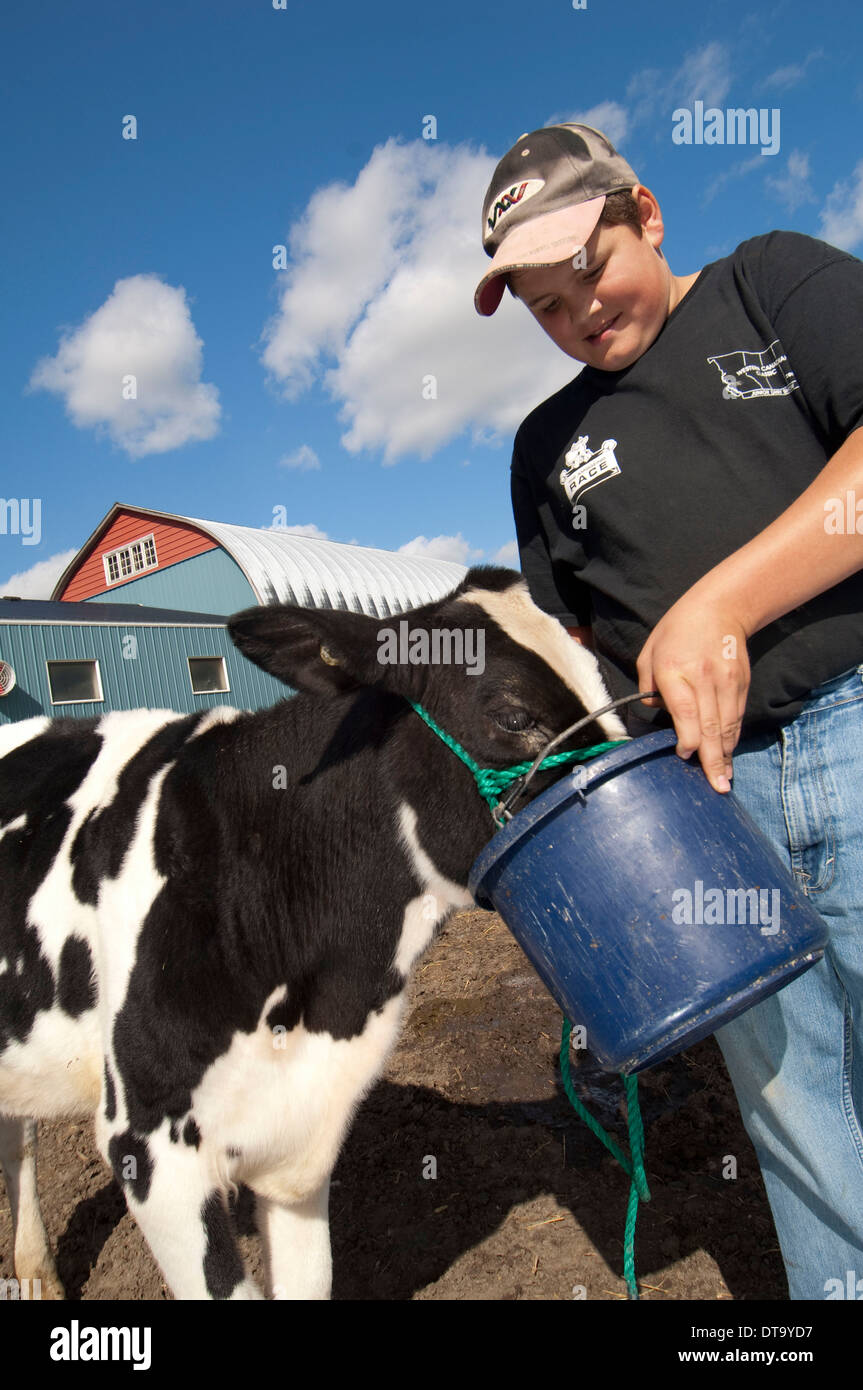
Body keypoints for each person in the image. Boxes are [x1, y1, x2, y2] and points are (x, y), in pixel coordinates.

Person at [475, 122, 863, 1300]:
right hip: (703, 793)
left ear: (644, 210)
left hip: (852, 715)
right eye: (545, 306)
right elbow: (577, 645)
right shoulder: (544, 447)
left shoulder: (770, 282)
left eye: (586, 268)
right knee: (793, 1099)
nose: (578, 312)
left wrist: (719, 604)